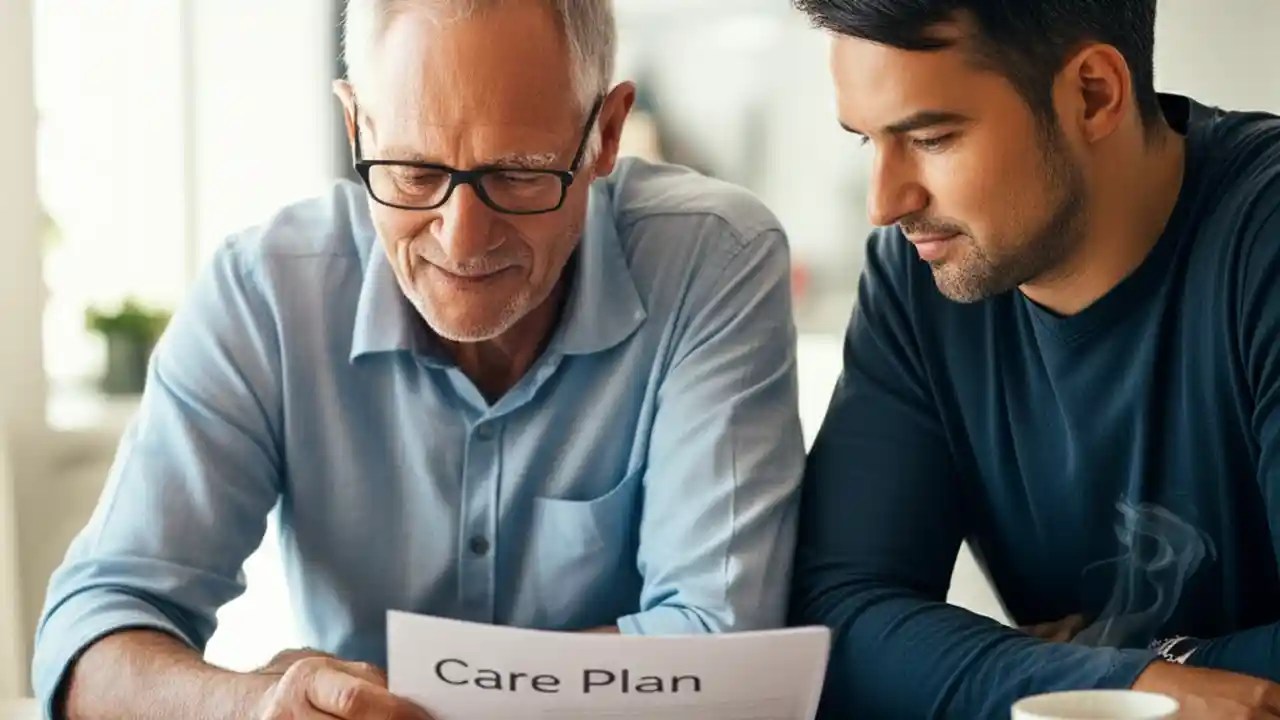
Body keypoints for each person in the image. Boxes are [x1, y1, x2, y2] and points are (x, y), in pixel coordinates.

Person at [32, 1, 806, 717]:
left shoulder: (714, 259)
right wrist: (248, 708)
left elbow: (719, 649)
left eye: (518, 173)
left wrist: (399, 701)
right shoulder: (266, 290)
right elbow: (90, 633)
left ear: (604, 135)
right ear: (356, 128)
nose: (461, 240)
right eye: (414, 172)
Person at [789, 0, 1280, 718]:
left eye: (930, 137)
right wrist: (1126, 683)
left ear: (1093, 94)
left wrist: (1118, 664)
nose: (886, 203)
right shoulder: (915, 279)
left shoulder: (1261, 241)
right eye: (868, 141)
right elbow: (837, 618)